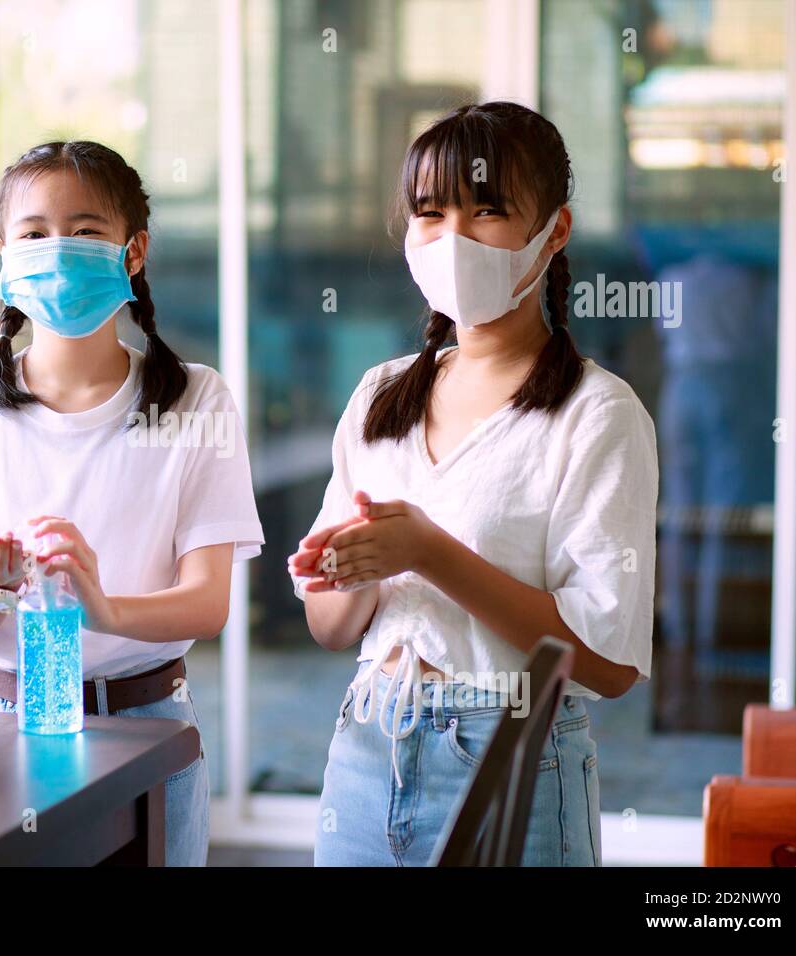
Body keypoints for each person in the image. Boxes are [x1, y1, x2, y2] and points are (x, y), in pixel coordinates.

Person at [288, 102, 657, 866]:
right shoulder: (379, 395)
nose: (453, 235)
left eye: (487, 209)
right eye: (431, 212)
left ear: (553, 231)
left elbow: (610, 664)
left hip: (510, 749)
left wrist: (425, 550)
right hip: (367, 742)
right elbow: (330, 630)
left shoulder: (596, 413)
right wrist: (347, 571)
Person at [0, 141, 264, 866]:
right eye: (33, 233)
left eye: (87, 229)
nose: (58, 248)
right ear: (2, 254)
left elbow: (206, 604)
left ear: (134, 251)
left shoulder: (196, 400)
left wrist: (104, 607)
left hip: (147, 725)